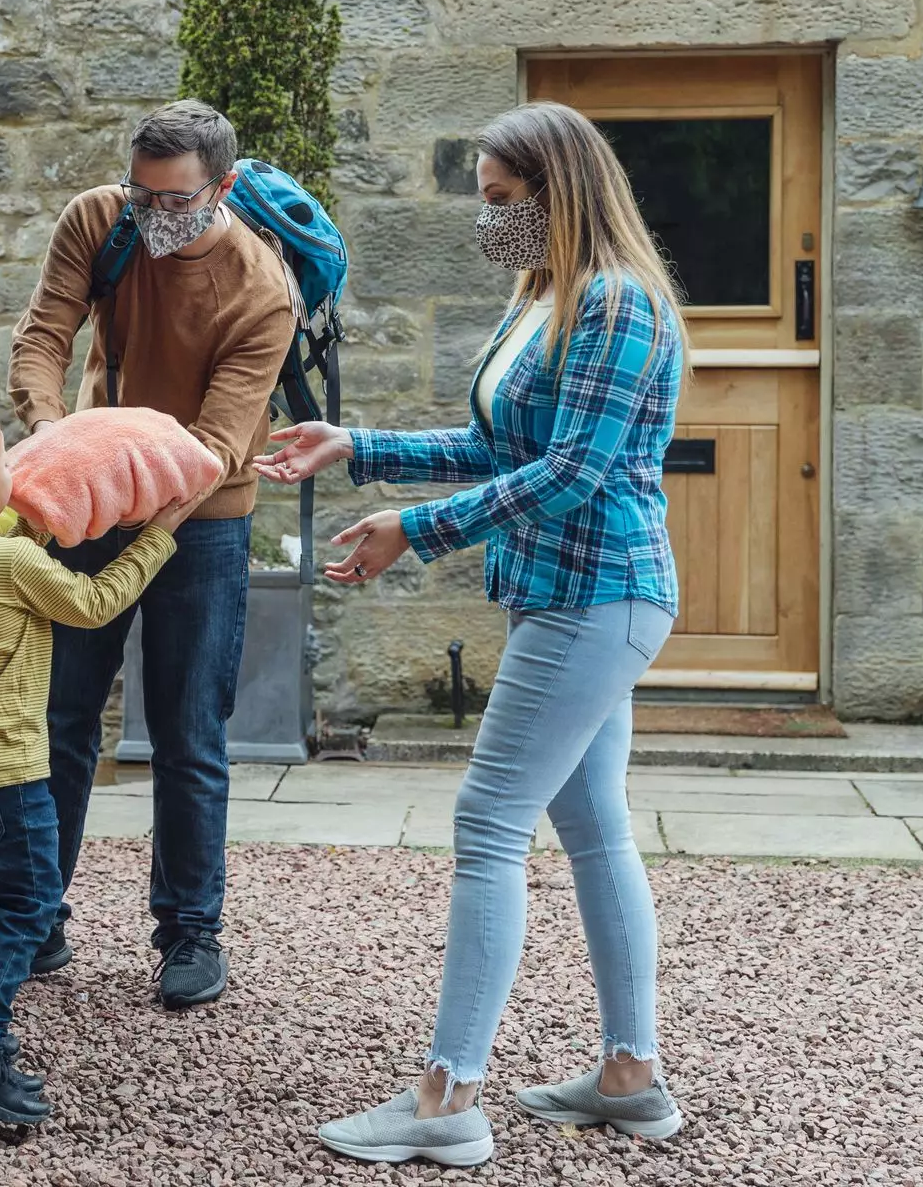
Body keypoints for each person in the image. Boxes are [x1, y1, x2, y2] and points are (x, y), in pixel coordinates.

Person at [255, 103, 689, 1166]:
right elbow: (501, 443)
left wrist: (416, 529)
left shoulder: (616, 307)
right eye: (484, 200)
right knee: (591, 826)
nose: (486, 220)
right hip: (570, 594)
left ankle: (449, 1096)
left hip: (600, 594)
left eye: (502, 202)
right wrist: (356, 443)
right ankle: (631, 1076)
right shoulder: (542, 300)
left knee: (489, 820)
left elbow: (572, 473)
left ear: (560, 194)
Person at [8, 99, 298, 1010]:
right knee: (58, 715)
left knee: (187, 735)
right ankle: (32, 916)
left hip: (203, 515)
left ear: (225, 188)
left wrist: (139, 523)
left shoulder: (261, 291)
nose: (151, 215)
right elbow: (43, 337)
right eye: (139, 193)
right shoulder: (100, 221)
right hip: (92, 495)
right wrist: (57, 447)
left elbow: (215, 446)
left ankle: (189, 933)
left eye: (173, 200)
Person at [0, 403, 208, 1124]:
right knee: (29, 906)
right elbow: (96, 603)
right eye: (6, 464)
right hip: (3, 772)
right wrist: (157, 536)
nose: (13, 474)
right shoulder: (10, 560)